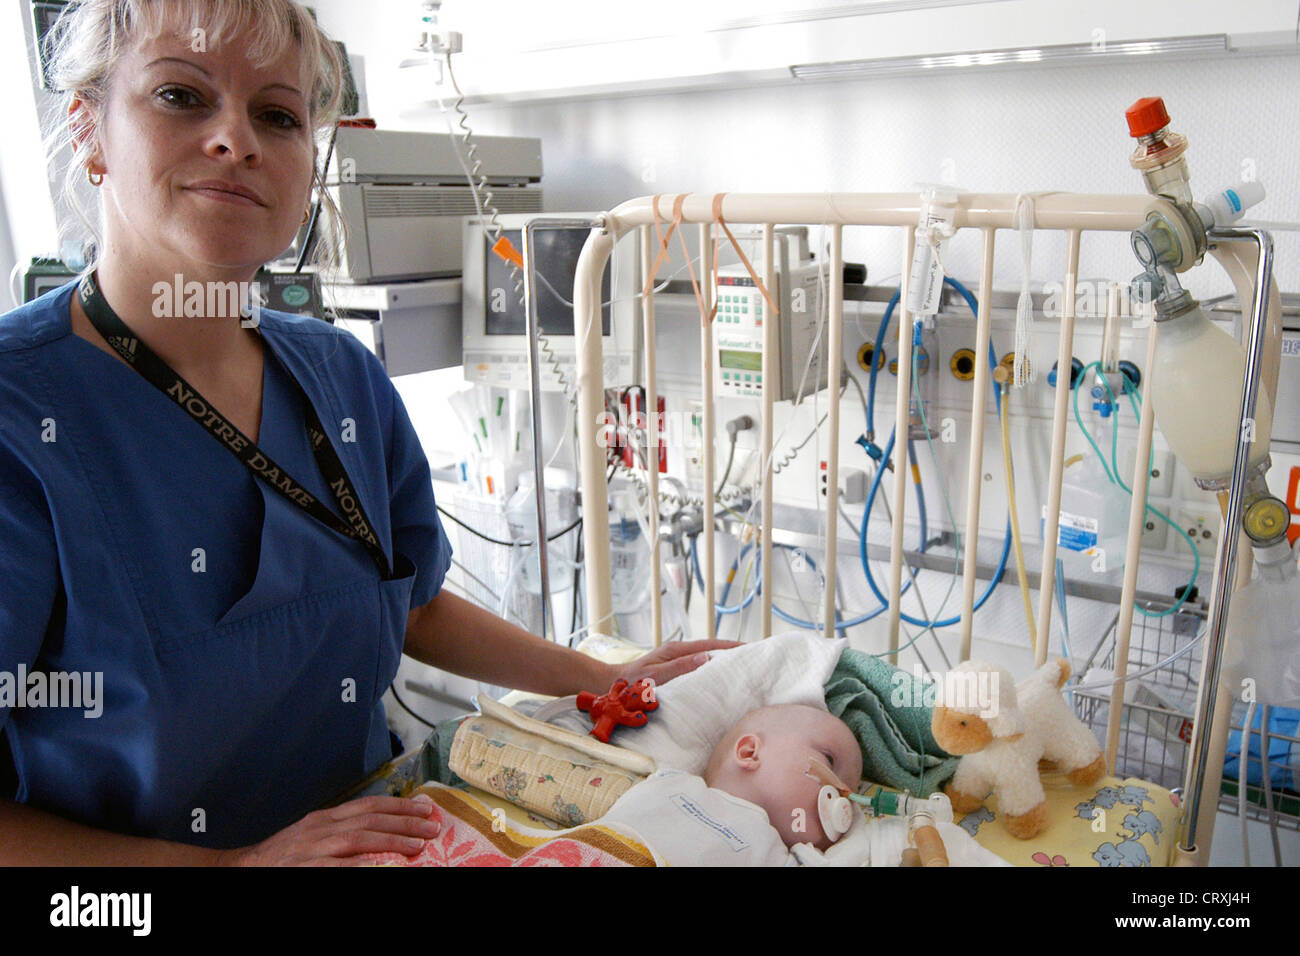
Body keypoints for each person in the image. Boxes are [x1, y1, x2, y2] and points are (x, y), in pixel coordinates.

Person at [0, 0, 732, 866]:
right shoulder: (23, 418)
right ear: (88, 130)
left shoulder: (340, 379)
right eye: (181, 97)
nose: (237, 139)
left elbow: (414, 602)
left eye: (277, 114)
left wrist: (602, 675)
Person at [599, 704, 864, 866]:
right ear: (749, 752)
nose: (842, 793)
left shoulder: (779, 857)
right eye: (829, 760)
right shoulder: (668, 780)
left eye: (851, 795)